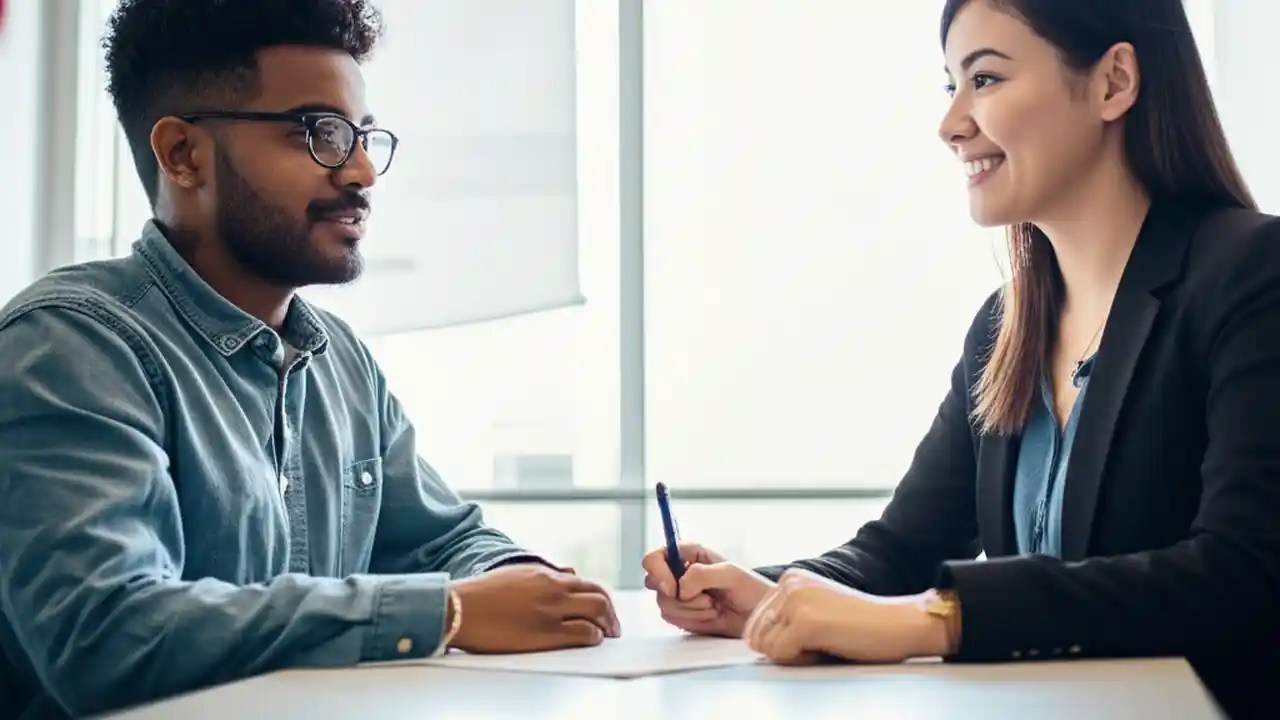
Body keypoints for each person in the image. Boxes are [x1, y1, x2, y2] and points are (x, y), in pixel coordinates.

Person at [642, 1, 1280, 716]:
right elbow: (897, 553)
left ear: (1113, 82)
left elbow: (1242, 575)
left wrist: (936, 619)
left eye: (987, 79)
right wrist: (765, 593)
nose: (951, 124)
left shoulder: (1252, 275)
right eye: (952, 86)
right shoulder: (1005, 329)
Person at [0, 1, 620, 716]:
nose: (361, 171)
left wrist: (527, 584)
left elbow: (439, 539)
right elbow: (108, 635)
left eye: (361, 135)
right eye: (319, 133)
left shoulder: (336, 357)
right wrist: (447, 613)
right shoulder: (71, 346)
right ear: (183, 155)